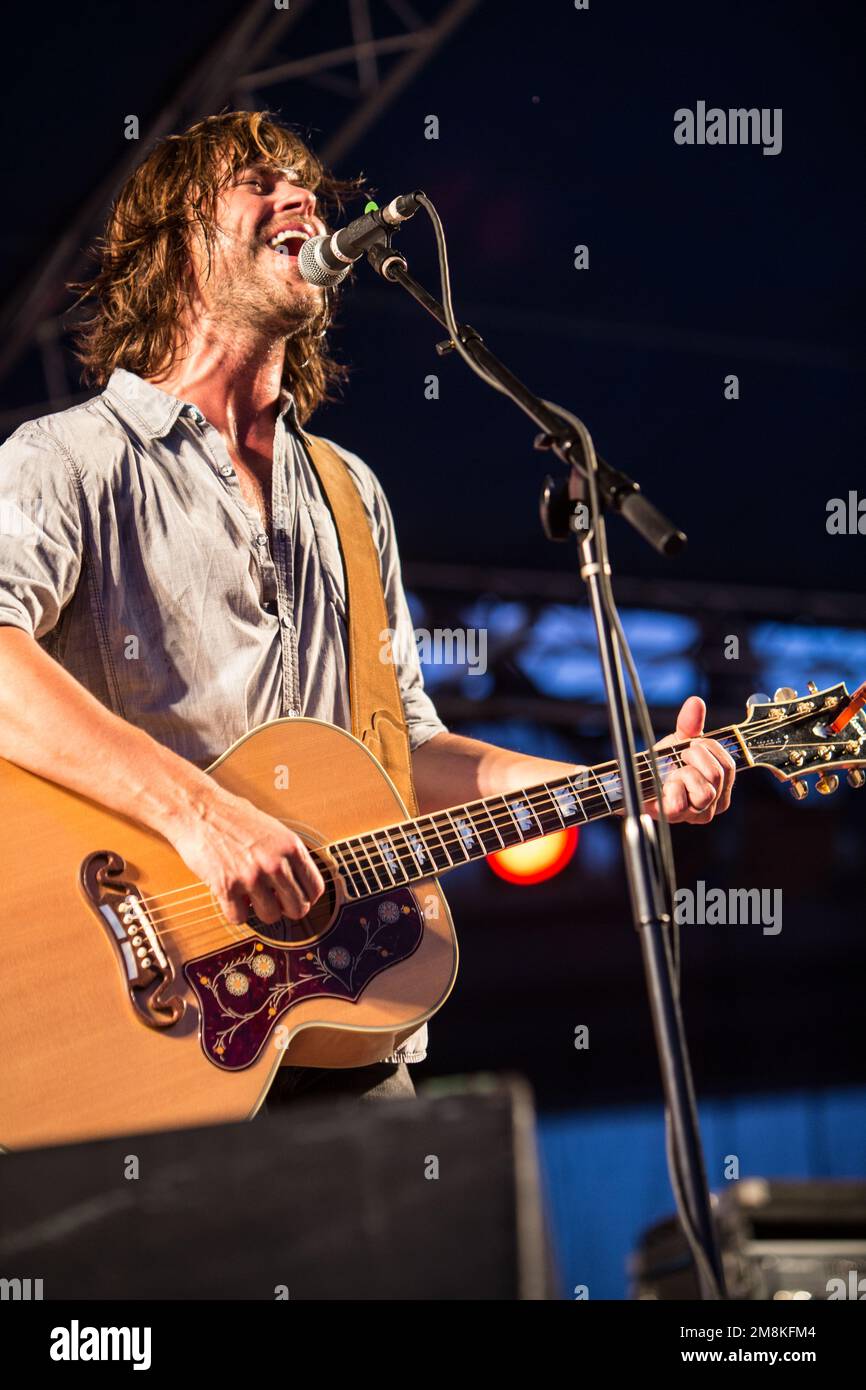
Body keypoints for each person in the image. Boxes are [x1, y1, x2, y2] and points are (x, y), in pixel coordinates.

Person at [0, 112, 736, 1109]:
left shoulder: (348, 493)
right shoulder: (66, 461)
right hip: (137, 1021)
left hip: (342, 1033)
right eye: (260, 182)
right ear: (177, 245)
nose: (301, 198)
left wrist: (615, 783)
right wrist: (207, 821)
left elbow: (406, 753)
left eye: (305, 183)